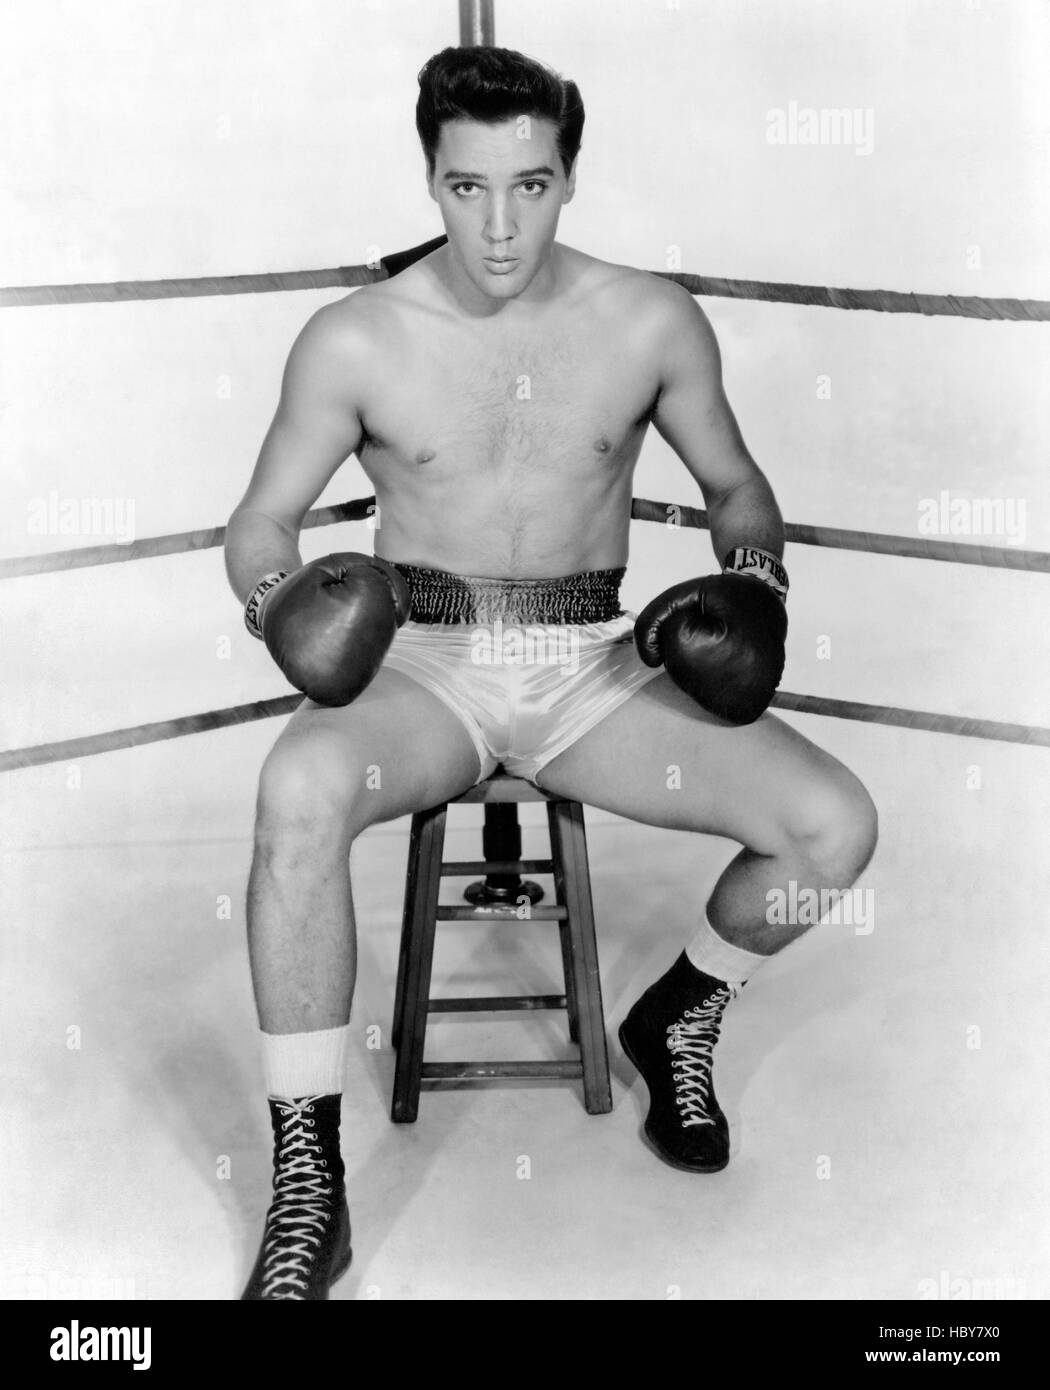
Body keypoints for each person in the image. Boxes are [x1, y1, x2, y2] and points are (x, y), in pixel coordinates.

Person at [224, 45, 878, 1301]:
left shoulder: (647, 320)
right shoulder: (355, 337)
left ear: (570, 175)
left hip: (593, 666)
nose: (500, 222)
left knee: (836, 829)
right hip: (425, 663)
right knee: (293, 796)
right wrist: (275, 600)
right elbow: (259, 522)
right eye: (468, 188)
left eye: (529, 184)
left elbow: (738, 488)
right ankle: (309, 1182)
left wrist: (757, 580)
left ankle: (681, 1011)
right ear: (430, 176)